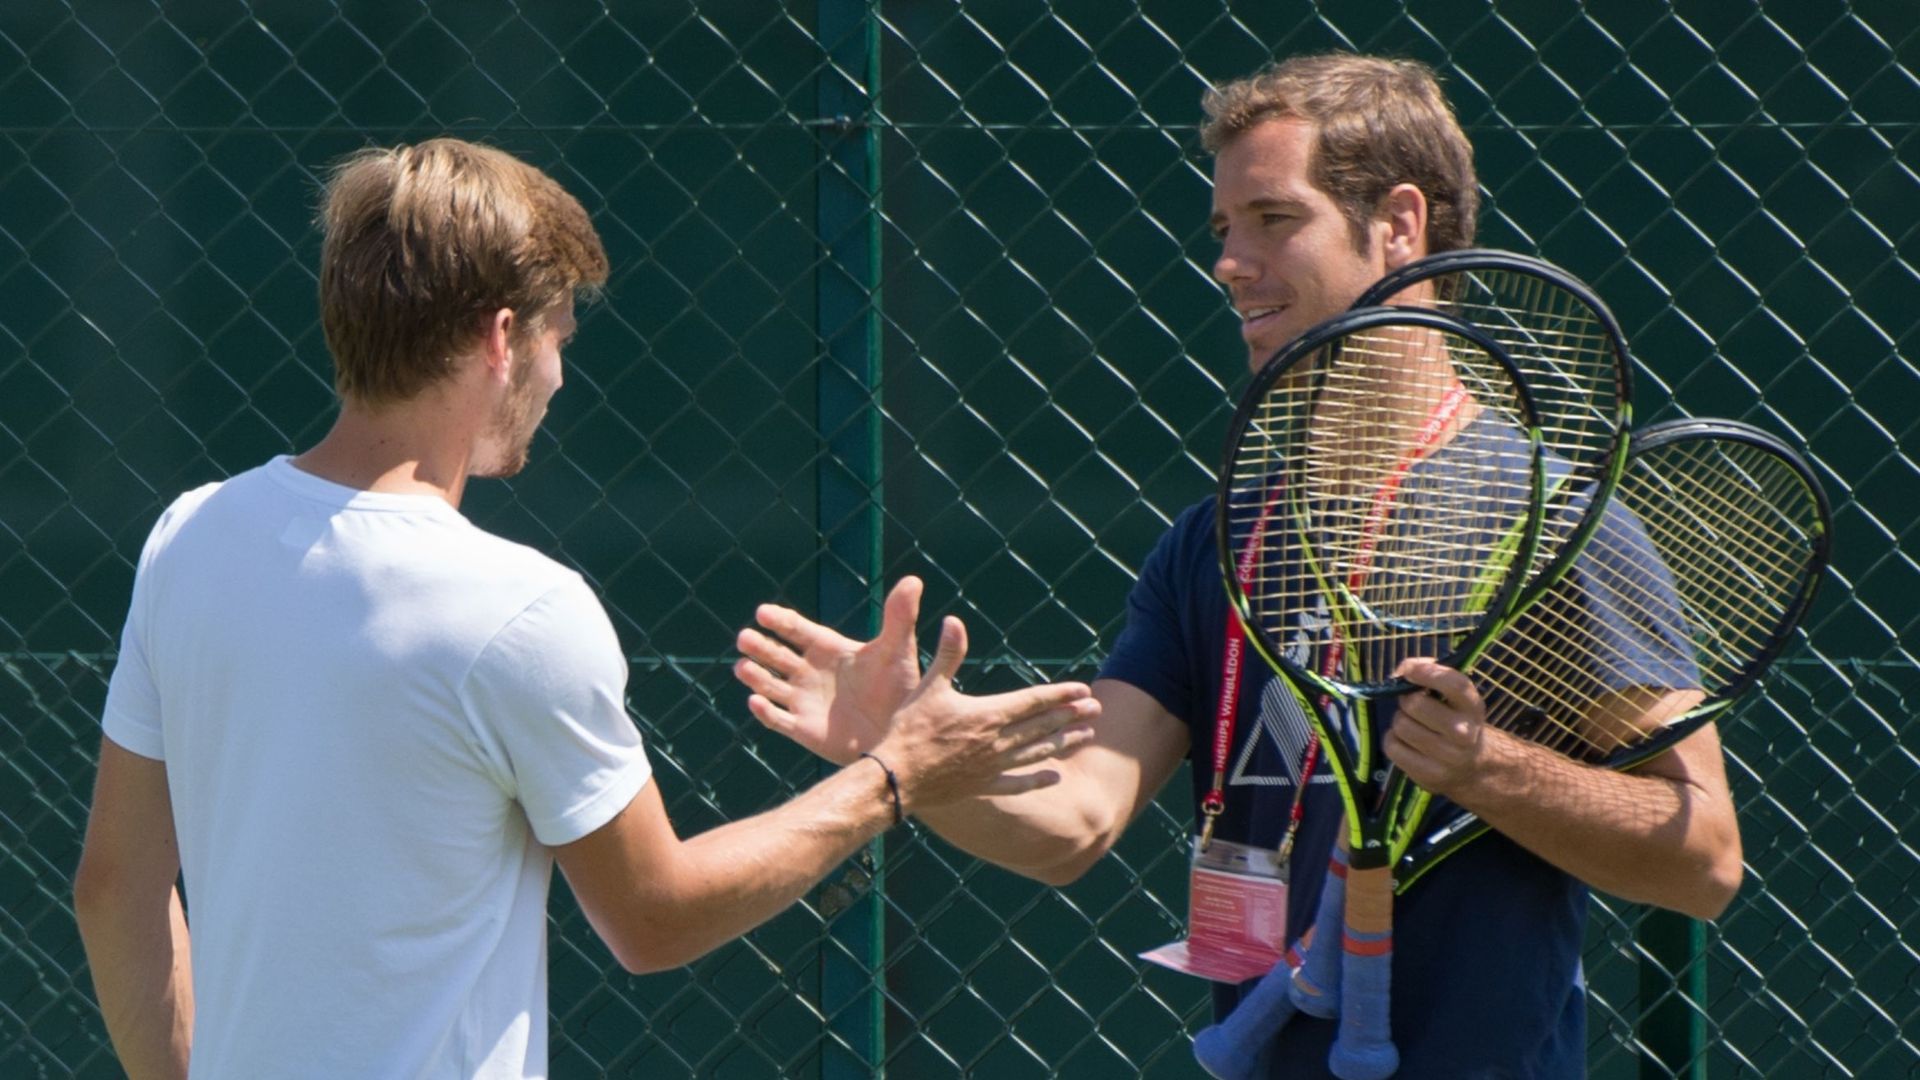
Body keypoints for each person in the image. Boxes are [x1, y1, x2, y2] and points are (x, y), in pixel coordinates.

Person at [733, 54, 1742, 1077]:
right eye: (1224, 230)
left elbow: (1703, 856)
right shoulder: (1216, 540)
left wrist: (1490, 772)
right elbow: (1075, 821)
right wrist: (908, 767)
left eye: (1273, 219)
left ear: (1399, 223)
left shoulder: (1556, 521)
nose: (1229, 262)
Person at [71, 136, 1100, 1080]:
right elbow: (654, 918)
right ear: (501, 339)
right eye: (561, 335)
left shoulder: (188, 539)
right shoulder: (521, 611)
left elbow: (114, 890)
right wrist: (895, 774)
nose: (561, 376)